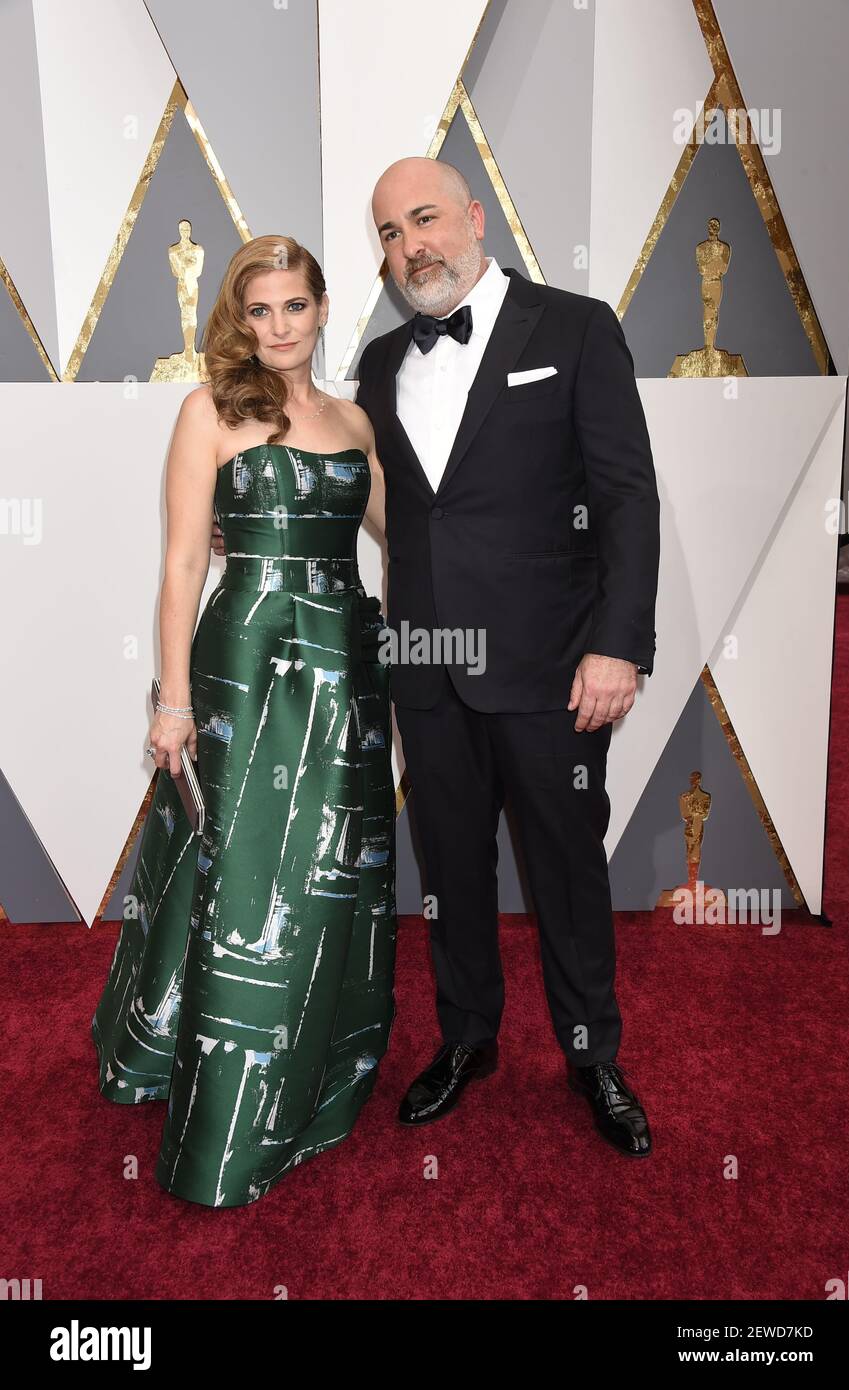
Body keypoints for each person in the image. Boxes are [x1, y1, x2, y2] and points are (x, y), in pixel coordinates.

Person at [214, 159, 661, 1159]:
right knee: (450, 870)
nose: (408, 244)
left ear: (471, 214)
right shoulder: (376, 365)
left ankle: (591, 1053)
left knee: (564, 869)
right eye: (385, 232)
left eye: (422, 219)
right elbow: (380, 505)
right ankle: (466, 1039)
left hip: (554, 666)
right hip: (424, 664)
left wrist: (616, 645)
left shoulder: (576, 326)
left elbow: (627, 496)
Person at [92, 235, 397, 1208]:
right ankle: (218, 1096)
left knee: (328, 862)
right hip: (248, 661)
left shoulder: (353, 419)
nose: (277, 328)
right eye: (259, 310)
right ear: (239, 315)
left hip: (345, 662)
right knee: (246, 862)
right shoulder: (209, 411)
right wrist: (172, 700)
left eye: (294, 308)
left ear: (321, 308)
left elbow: (405, 534)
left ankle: (306, 1070)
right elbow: (184, 563)